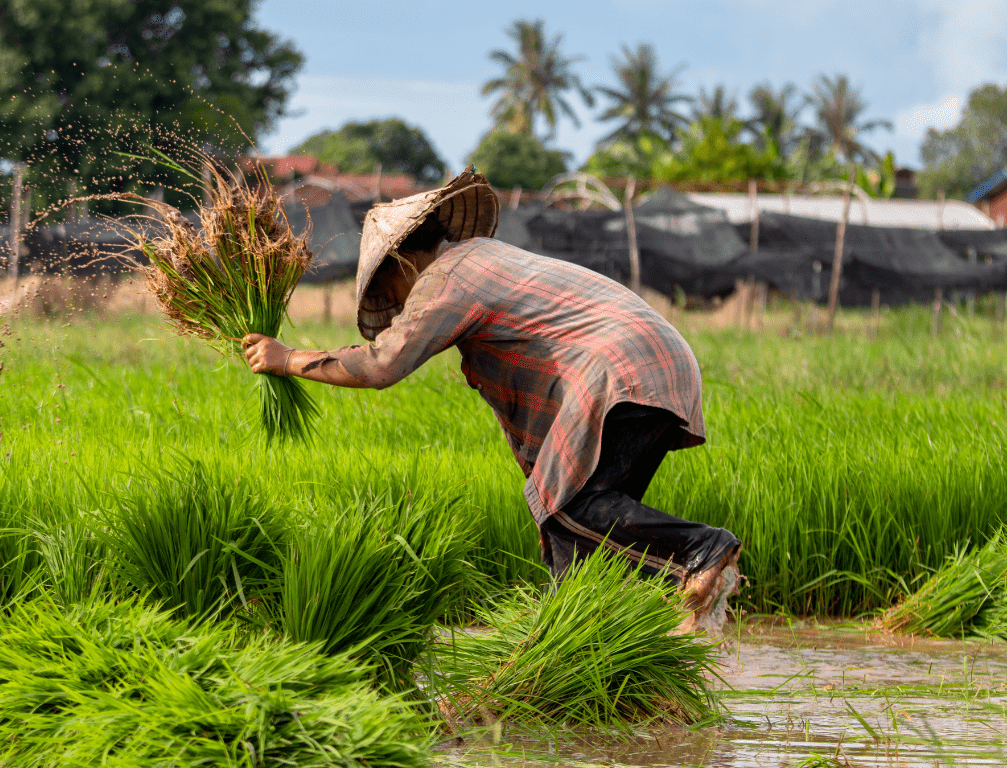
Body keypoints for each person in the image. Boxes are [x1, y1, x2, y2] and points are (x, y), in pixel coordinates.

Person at [242, 169, 742, 634]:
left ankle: (701, 549)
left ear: (398, 262)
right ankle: (585, 653)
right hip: (655, 363)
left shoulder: (448, 278)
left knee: (573, 507)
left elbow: (380, 365)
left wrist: (287, 359)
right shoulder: (485, 261)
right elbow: (535, 411)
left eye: (388, 288)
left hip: (622, 370)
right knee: (579, 541)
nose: (397, 303)